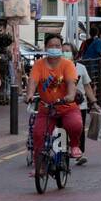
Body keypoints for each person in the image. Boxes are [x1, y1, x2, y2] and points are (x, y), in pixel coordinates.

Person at [25, 33, 84, 163]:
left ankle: (74, 145)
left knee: (75, 125)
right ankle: (39, 166)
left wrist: (70, 96)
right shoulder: (39, 65)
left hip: (67, 107)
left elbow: (70, 82)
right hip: (46, 108)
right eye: (51, 45)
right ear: (45, 47)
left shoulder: (67, 64)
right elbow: (33, 81)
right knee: (38, 134)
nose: (55, 48)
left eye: (58, 46)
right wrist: (29, 95)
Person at [62, 42, 99, 166]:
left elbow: (87, 86)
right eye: (62, 51)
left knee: (78, 130)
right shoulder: (57, 68)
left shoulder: (81, 68)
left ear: (74, 54)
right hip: (62, 104)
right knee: (62, 129)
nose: (64, 53)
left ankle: (79, 154)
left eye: (67, 51)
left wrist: (93, 102)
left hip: (79, 105)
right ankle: (62, 153)